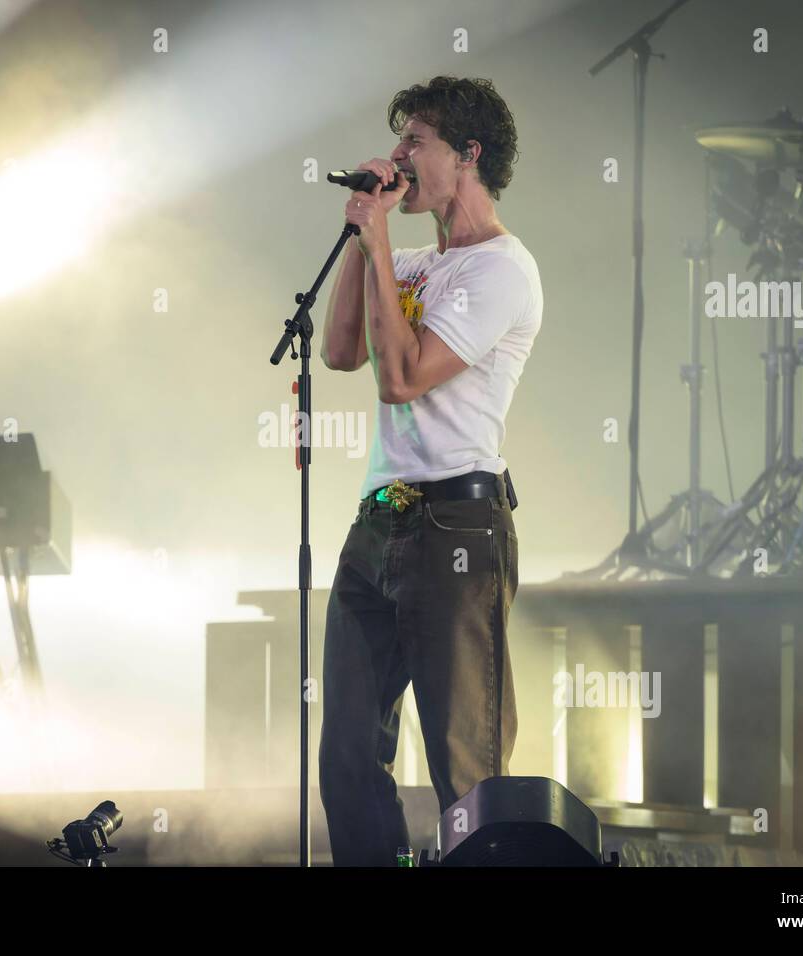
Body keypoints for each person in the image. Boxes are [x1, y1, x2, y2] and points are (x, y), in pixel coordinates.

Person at [318, 75, 544, 865]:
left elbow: (402, 377)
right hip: (376, 521)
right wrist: (365, 238)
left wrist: (378, 241)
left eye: (417, 140)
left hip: (458, 524)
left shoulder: (503, 271)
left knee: (464, 771)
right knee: (347, 757)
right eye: (401, 139)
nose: (398, 156)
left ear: (468, 154)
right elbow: (341, 352)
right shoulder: (406, 260)